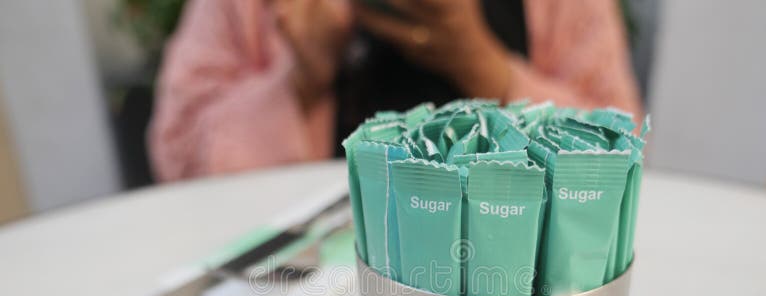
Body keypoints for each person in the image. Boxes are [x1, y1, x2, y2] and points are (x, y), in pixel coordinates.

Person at [149, 0, 642, 182]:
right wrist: (300, 81)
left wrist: (480, 62)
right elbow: (176, 155)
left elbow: (619, 151)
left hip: (507, 281)